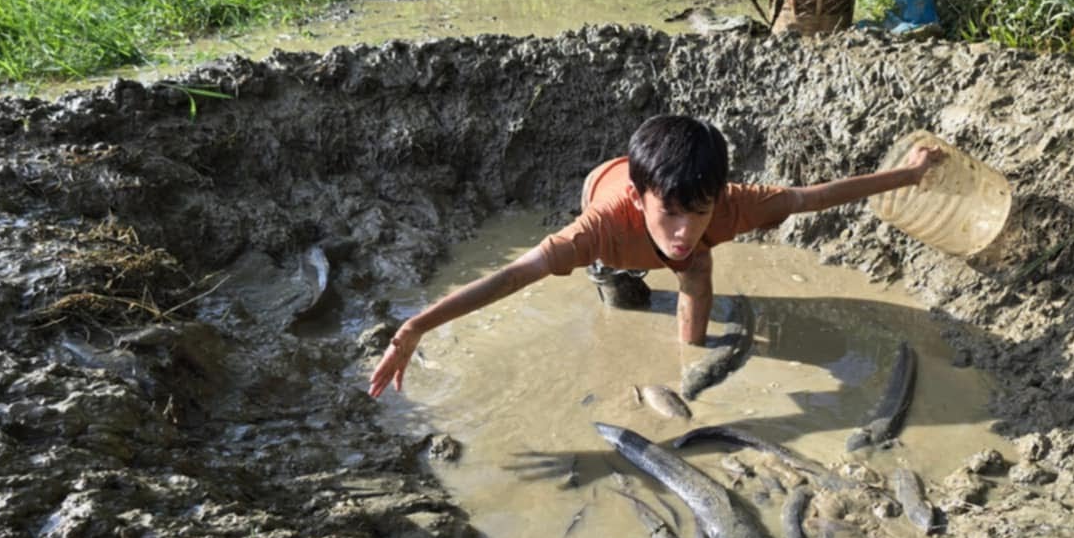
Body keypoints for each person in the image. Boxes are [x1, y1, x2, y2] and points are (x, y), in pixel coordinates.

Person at [369, 114, 943, 399]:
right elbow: (516, 274)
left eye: (700, 211)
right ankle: (627, 273)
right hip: (611, 212)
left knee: (697, 264)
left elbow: (813, 197)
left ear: (718, 195)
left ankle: (690, 350)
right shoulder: (599, 226)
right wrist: (417, 326)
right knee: (622, 298)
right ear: (642, 197)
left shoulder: (730, 204)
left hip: (665, 209)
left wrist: (910, 175)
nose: (685, 229)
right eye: (671, 213)